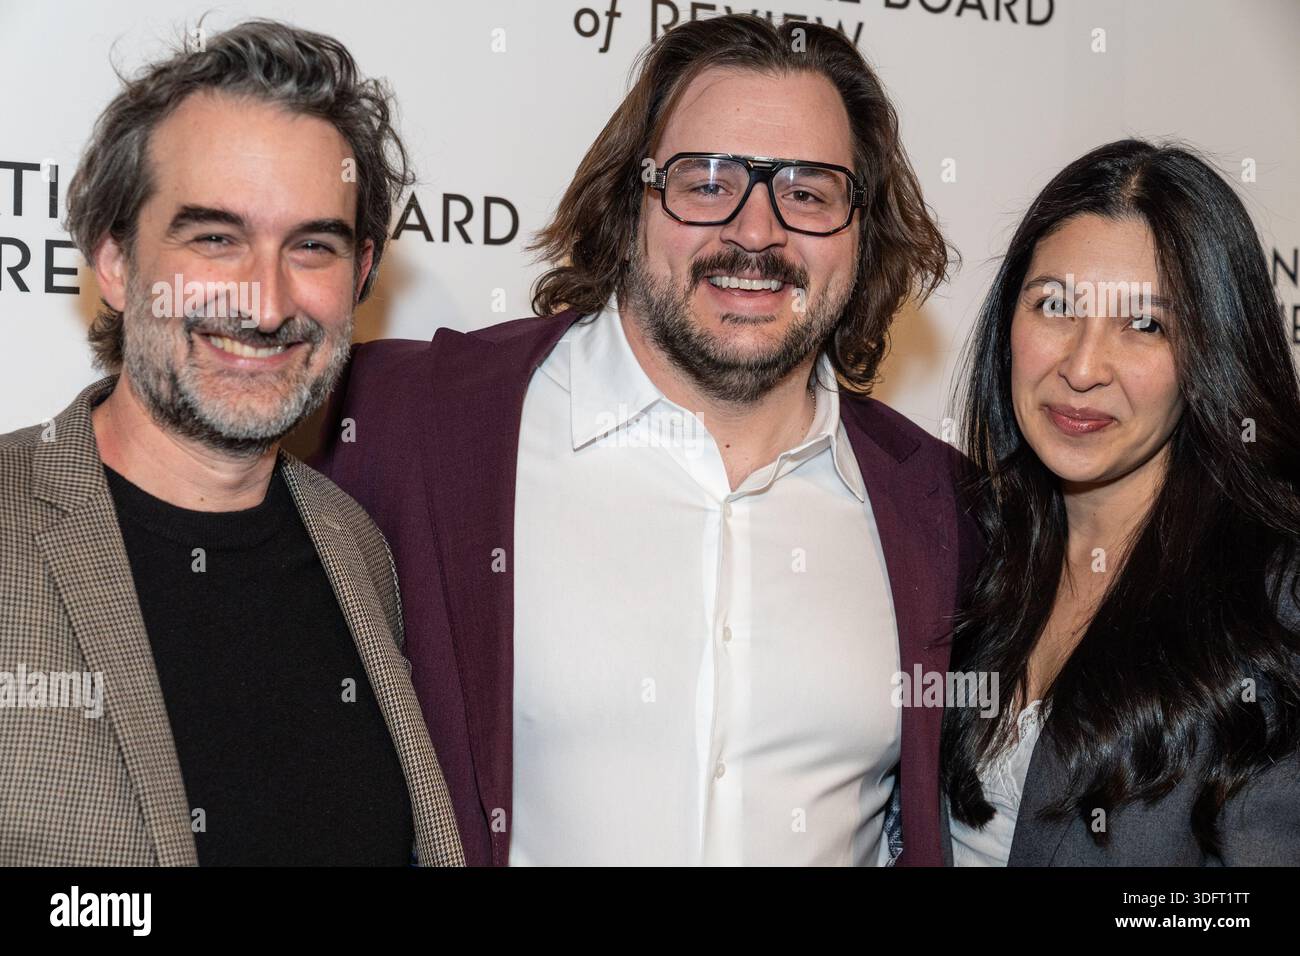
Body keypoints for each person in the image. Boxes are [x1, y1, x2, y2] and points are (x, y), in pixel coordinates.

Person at [316, 14, 979, 865]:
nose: (755, 232)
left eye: (808, 192)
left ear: (863, 232)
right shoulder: (413, 422)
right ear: (631, 201)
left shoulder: (944, 511)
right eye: (706, 182)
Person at [0, 20, 463, 866]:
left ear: (360, 277)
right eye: (215, 238)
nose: (265, 300)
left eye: (312, 246)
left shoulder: (358, 550)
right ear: (113, 258)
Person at [943, 139, 1300, 865]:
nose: (1080, 367)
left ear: (1212, 351)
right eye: (1056, 306)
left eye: (1144, 324)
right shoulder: (969, 546)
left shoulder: (1275, 599)